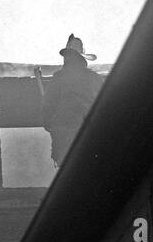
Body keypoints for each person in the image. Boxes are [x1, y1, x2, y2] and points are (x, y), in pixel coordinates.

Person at [40, 34, 105, 167]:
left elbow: (47, 108)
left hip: (63, 141)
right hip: (89, 140)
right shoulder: (96, 79)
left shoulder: (58, 78)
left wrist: (51, 126)